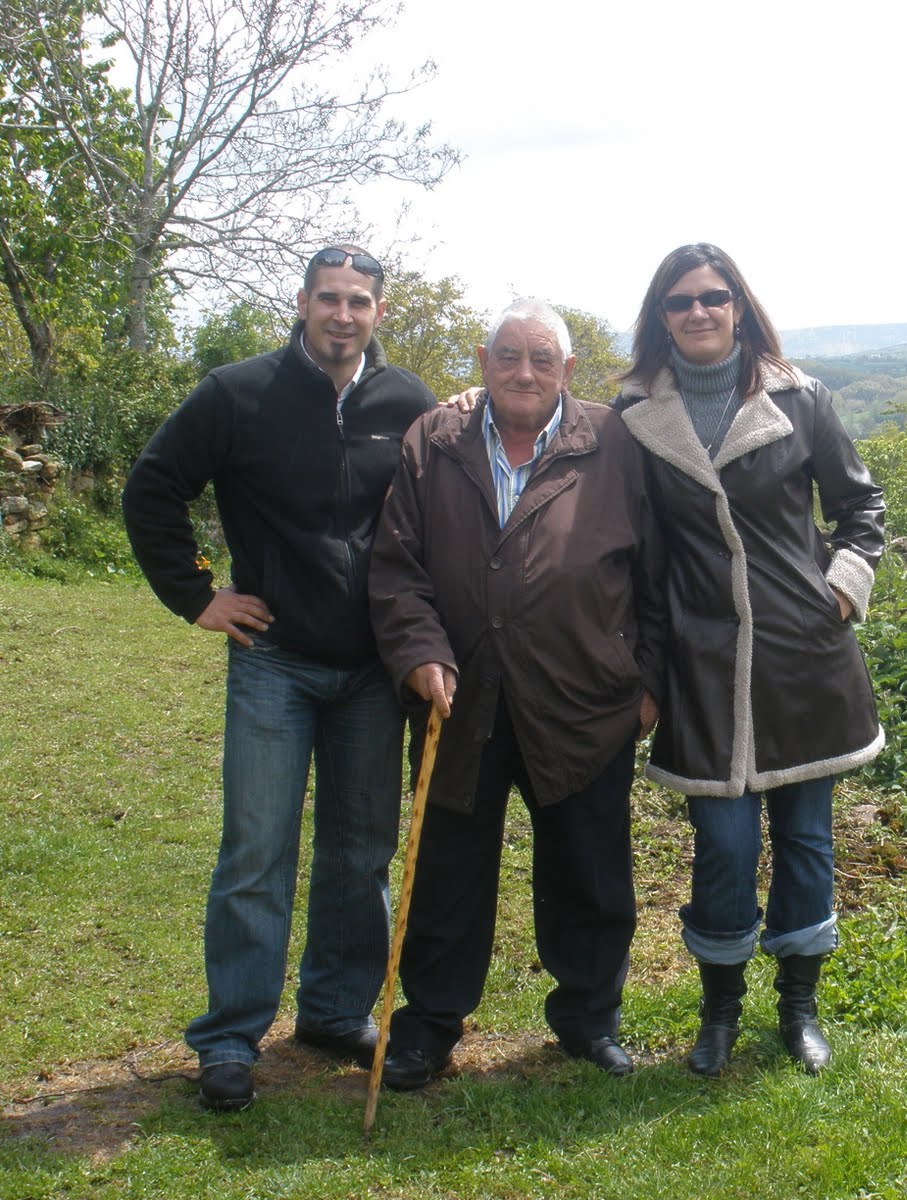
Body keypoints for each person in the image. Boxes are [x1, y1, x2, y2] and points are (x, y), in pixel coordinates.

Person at [121, 246, 438, 1111]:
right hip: (274, 663)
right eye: (328, 299)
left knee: (359, 854)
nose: (343, 315)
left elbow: (442, 506)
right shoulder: (237, 393)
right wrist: (198, 597)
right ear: (302, 303)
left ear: (379, 311)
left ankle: (335, 1013)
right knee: (257, 854)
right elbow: (152, 489)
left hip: (372, 671)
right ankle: (229, 1039)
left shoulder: (407, 403)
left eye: (360, 301)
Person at [368, 299, 665, 1090]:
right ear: (481, 360)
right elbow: (397, 569)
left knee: (590, 869)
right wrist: (420, 652)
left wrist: (651, 684)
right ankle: (428, 1027)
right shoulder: (433, 441)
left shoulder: (615, 444)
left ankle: (588, 1020)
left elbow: (659, 576)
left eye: (542, 358)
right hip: (459, 698)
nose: (524, 372)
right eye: (508, 356)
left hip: (584, 697)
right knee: (445, 872)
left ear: (569, 370)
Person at [613, 243, 886, 1076]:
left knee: (807, 841)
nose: (697, 312)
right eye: (679, 301)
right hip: (700, 665)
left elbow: (859, 504)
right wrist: (645, 671)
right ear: (660, 317)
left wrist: (837, 592)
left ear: (738, 305)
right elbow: (631, 552)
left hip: (804, 662)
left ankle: (798, 1010)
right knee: (724, 846)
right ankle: (719, 1012)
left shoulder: (800, 400)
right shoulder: (630, 417)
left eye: (713, 297)